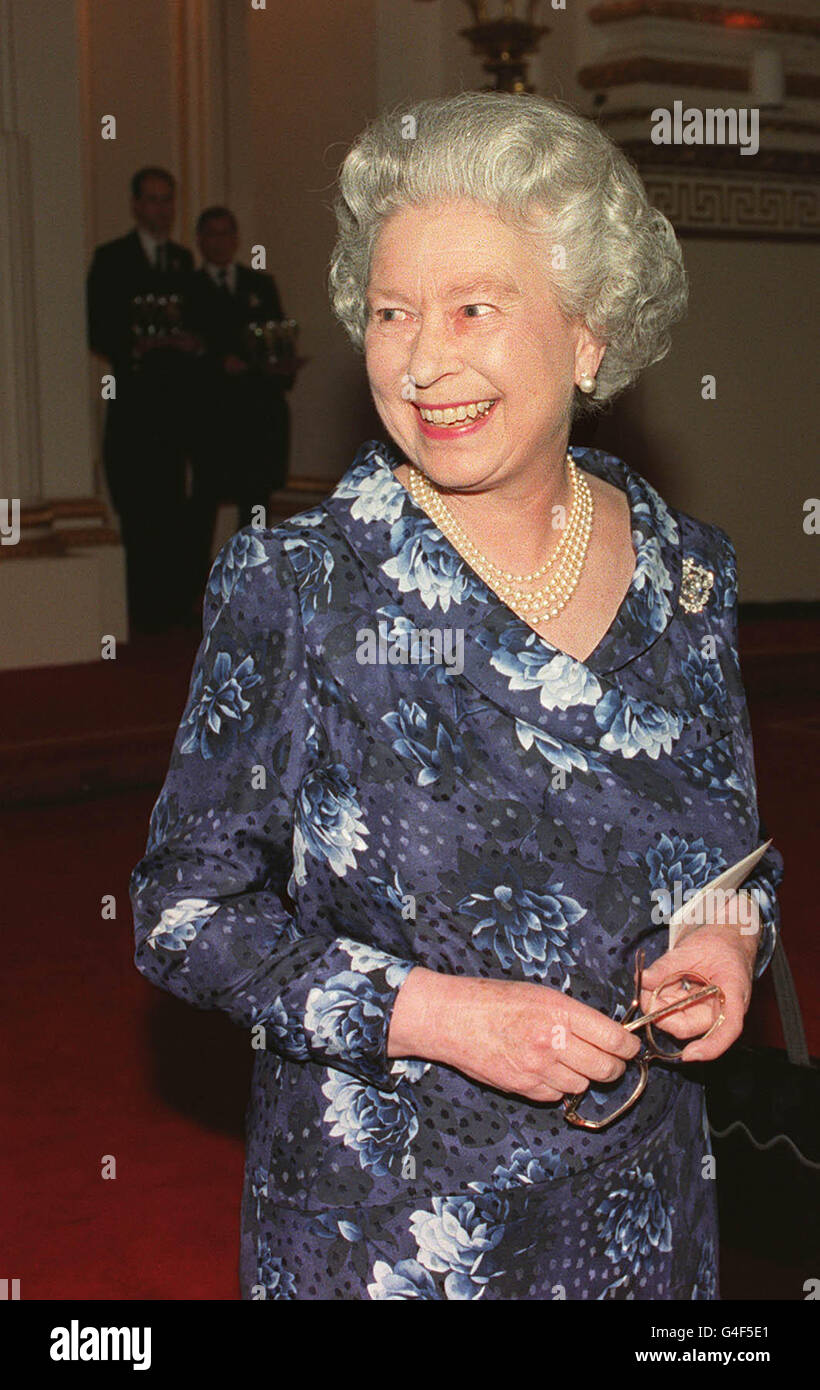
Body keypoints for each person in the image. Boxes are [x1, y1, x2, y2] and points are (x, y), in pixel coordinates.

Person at [130, 93, 784, 1300]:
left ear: (587, 333)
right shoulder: (299, 584)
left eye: (473, 309)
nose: (423, 361)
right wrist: (436, 1015)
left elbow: (729, 859)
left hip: (642, 1217)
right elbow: (181, 915)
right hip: (391, 1235)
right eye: (390, 313)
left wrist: (724, 943)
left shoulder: (690, 570)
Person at [87, 167, 198, 631]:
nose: (161, 209)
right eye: (152, 200)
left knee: (173, 505)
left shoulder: (181, 260)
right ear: (135, 205)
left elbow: (194, 320)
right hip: (133, 402)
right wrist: (134, 346)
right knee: (136, 504)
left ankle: (170, 610)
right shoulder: (111, 257)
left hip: (173, 404)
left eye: (168, 200)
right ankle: (138, 614)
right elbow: (97, 326)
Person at [185, 206, 292, 604]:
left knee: (256, 505)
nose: (220, 241)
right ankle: (196, 597)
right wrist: (217, 363)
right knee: (203, 506)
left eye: (227, 233)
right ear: (200, 240)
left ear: (236, 238)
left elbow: (277, 341)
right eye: (211, 234)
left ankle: (252, 595)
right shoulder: (187, 288)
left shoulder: (259, 285)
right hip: (209, 417)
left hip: (256, 415)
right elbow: (184, 355)